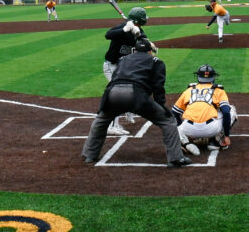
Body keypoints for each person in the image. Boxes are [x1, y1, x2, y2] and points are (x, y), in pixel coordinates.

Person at [82, 36, 191, 168]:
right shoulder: (156, 61)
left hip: (113, 93)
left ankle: (89, 155)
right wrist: (162, 106)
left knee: (101, 120)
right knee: (168, 121)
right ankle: (175, 158)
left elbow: (114, 78)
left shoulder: (123, 60)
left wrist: (103, 107)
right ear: (149, 51)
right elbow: (158, 87)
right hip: (136, 95)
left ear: (135, 50)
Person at [101, 6, 148, 135]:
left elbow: (144, 42)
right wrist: (124, 30)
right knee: (118, 94)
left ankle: (128, 111)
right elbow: (108, 35)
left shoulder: (138, 29)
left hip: (124, 67)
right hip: (112, 66)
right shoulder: (123, 27)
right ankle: (112, 126)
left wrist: (139, 34)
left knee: (134, 87)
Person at [172, 64, 237, 155]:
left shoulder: (188, 90)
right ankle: (215, 142)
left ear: (198, 77)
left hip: (188, 129)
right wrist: (227, 136)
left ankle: (185, 141)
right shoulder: (219, 91)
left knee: (180, 118)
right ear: (213, 77)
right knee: (231, 110)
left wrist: (181, 128)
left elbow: (174, 112)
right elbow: (226, 112)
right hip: (211, 129)